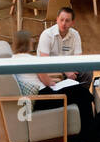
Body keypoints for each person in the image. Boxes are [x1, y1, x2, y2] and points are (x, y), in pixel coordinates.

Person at [31, 7, 96, 135]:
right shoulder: (47, 35)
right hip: (50, 71)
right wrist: (66, 71)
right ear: (56, 20)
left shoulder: (75, 35)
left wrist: (71, 69)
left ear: (72, 23)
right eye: (61, 20)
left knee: (87, 71)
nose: (64, 23)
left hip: (70, 68)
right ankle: (80, 99)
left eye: (67, 21)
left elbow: (78, 58)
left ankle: (81, 100)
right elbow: (44, 61)